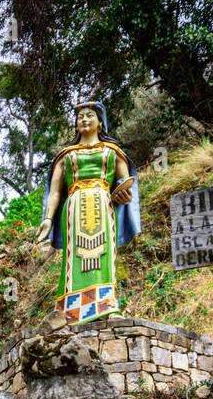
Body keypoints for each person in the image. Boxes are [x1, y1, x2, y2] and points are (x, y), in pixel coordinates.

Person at [37, 100, 141, 325]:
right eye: (80, 116)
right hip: (74, 207)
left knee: (105, 253)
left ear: (100, 123)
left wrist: (125, 194)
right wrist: (48, 219)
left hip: (104, 205)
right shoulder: (66, 155)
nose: (84, 119)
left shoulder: (112, 151)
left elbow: (126, 182)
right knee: (74, 257)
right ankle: (70, 311)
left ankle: (109, 305)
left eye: (89, 115)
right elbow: (55, 191)